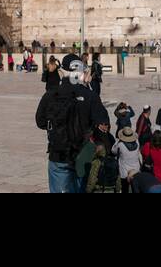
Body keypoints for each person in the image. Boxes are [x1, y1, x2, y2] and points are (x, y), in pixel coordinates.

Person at [34, 53, 108, 193]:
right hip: (83, 154)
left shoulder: (51, 94)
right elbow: (103, 124)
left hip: (58, 153)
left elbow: (40, 121)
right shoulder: (90, 96)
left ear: (63, 71)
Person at [112, 127, 143, 193]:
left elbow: (113, 151)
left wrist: (117, 141)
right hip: (136, 169)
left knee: (125, 189)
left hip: (124, 171)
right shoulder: (137, 143)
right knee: (135, 188)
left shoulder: (120, 145)